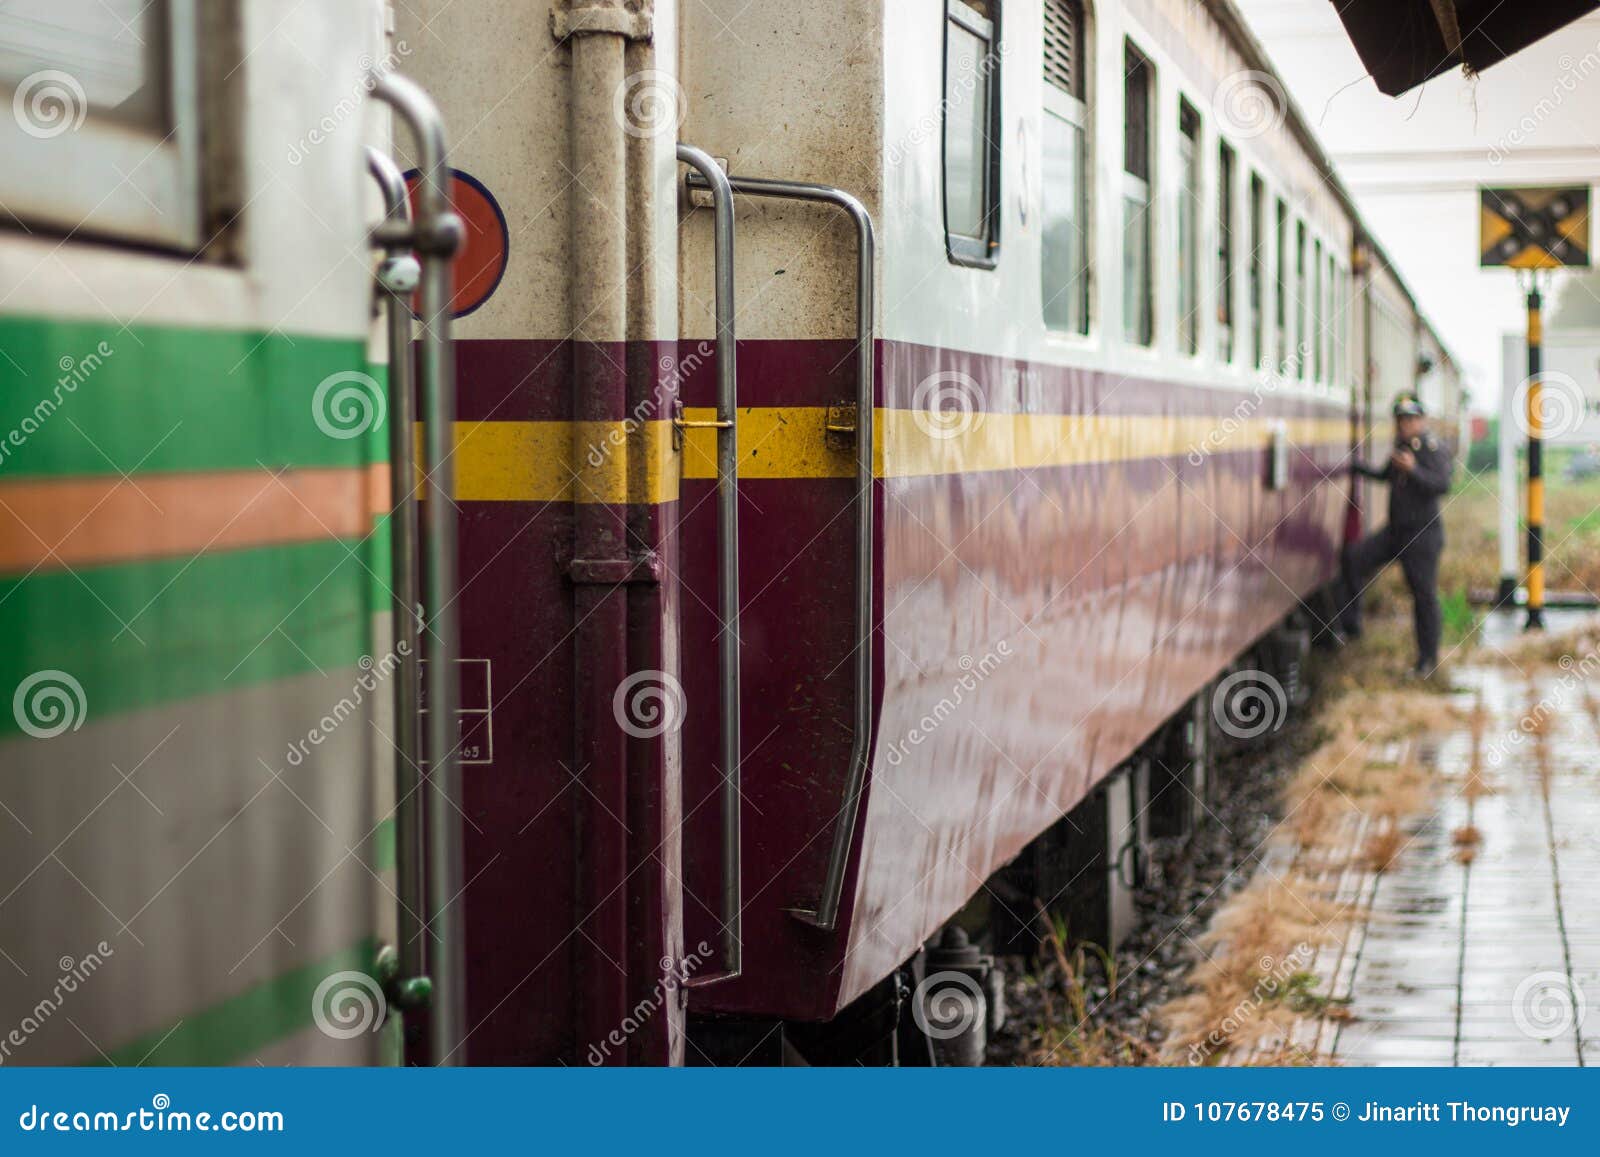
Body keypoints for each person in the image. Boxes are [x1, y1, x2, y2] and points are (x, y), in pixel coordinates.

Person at [1335, 394, 1454, 677]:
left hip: (1422, 535)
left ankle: (1427, 661)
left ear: (1421, 420)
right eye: (1401, 420)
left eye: (1410, 419)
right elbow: (1384, 475)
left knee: (1423, 596)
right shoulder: (1401, 447)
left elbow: (1441, 484)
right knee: (1353, 558)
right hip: (1396, 532)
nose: (1405, 425)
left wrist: (1414, 470)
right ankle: (1351, 626)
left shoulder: (1430, 447)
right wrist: (1353, 466)